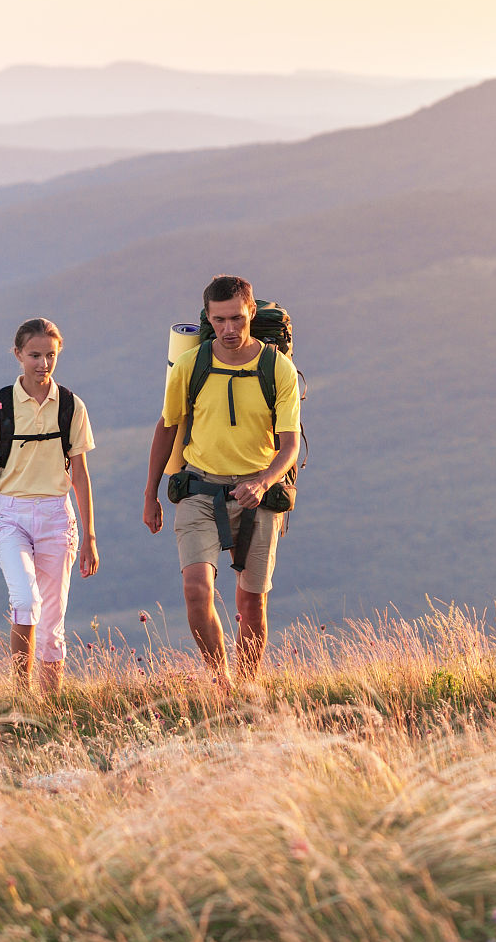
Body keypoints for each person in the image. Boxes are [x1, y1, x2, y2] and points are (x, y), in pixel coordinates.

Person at [144, 275, 300, 684]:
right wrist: (150, 494)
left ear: (250, 312)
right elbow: (167, 427)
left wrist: (264, 482)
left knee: (252, 604)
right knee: (196, 590)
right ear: (208, 319)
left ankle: (248, 686)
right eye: (219, 320)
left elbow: (289, 446)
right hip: (198, 488)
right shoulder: (190, 365)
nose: (229, 329)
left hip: (258, 495)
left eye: (236, 318)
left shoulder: (277, 368)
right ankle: (222, 684)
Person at [0, 317, 100, 695]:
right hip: (10, 515)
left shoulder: (72, 407)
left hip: (57, 517)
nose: (43, 364)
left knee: (53, 622)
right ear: (17, 355)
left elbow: (81, 476)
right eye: (34, 355)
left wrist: (90, 537)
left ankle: (51, 705)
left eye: (50, 355)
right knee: (25, 601)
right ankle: (21, 693)